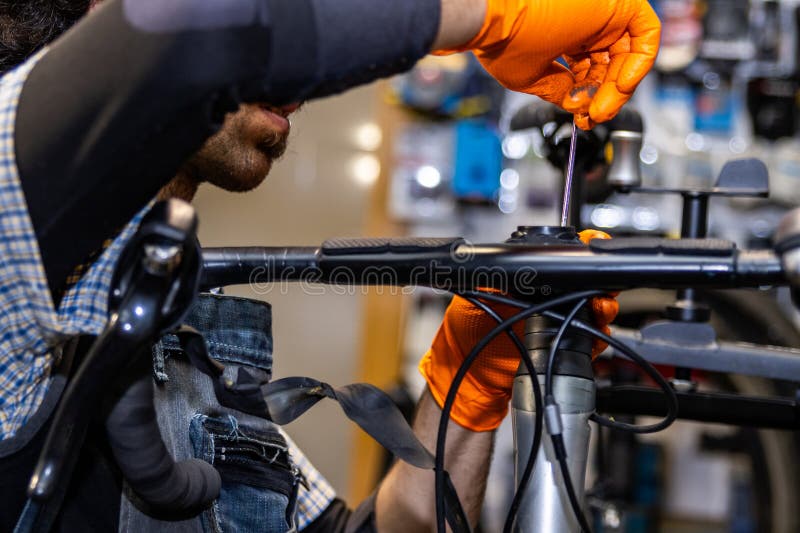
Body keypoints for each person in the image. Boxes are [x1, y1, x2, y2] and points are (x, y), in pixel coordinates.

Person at [0, 0, 661, 530]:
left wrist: (467, 380)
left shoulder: (180, 345)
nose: (301, 88)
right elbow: (189, 31)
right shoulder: (11, 218)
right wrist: (490, 15)